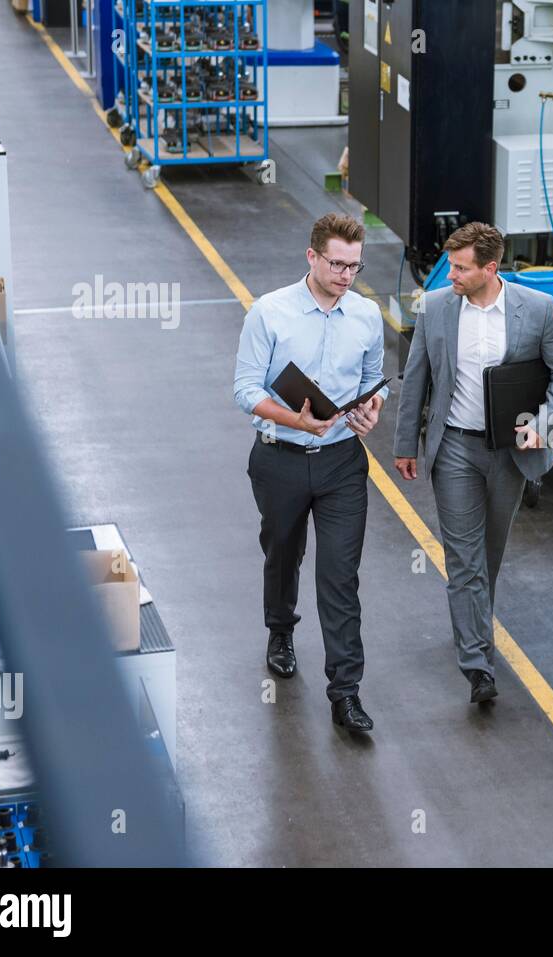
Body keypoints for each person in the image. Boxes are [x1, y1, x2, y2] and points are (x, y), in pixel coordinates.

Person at [393, 222, 553, 703]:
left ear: (489, 269)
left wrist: (545, 421)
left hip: (509, 454)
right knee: (464, 561)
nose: (449, 274)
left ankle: (472, 629)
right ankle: (478, 666)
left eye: (460, 268)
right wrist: (404, 444)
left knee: (487, 558)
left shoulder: (536, 310)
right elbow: (416, 378)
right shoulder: (435, 308)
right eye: (450, 265)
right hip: (453, 446)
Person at [233, 213, 388, 734]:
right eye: (338, 264)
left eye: (355, 265)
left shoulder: (365, 315)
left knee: (340, 576)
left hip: (343, 463)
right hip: (279, 458)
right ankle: (280, 629)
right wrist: (293, 418)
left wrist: (373, 408)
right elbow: (246, 389)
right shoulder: (270, 313)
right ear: (313, 257)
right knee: (283, 552)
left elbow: (372, 380)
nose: (347, 275)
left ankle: (345, 693)